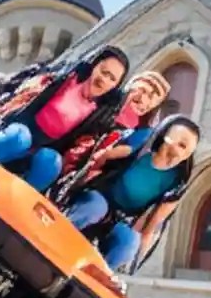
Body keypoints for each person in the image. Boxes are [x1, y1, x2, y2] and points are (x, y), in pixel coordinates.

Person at [0, 46, 130, 192]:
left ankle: (16, 202)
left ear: (115, 86)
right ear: (94, 66)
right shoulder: (65, 77)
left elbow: (76, 157)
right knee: (21, 136)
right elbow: (19, 92)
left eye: (112, 78)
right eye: (103, 71)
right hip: (14, 132)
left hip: (37, 153)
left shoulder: (98, 116)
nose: (104, 79)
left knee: (52, 162)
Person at [61, 115, 201, 273]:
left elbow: (152, 226)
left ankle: (97, 277)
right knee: (95, 208)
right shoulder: (145, 141)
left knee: (129, 242)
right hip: (102, 196)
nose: (179, 154)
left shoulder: (177, 182)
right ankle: (57, 237)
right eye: (180, 144)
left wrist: (137, 259)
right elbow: (104, 156)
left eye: (187, 151)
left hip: (121, 218)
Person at [47, 70, 170, 204]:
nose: (144, 100)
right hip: (77, 145)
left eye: (152, 99)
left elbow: (127, 148)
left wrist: (105, 155)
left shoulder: (142, 130)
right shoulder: (109, 103)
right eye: (143, 92)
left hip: (97, 164)